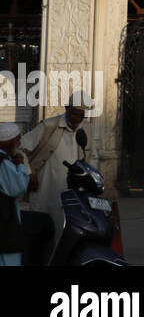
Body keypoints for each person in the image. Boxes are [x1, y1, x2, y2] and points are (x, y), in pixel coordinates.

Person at [19, 91, 90, 232]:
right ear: (66, 108)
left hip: (72, 195)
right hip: (45, 191)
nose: (77, 119)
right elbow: (20, 149)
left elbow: (91, 158)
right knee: (41, 232)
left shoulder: (87, 129)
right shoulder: (49, 126)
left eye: (81, 115)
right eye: (74, 114)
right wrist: (29, 173)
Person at [0, 124, 28, 267]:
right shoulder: (3, 162)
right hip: (5, 226)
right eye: (18, 139)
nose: (19, 143)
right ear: (10, 141)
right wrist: (21, 165)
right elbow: (18, 188)